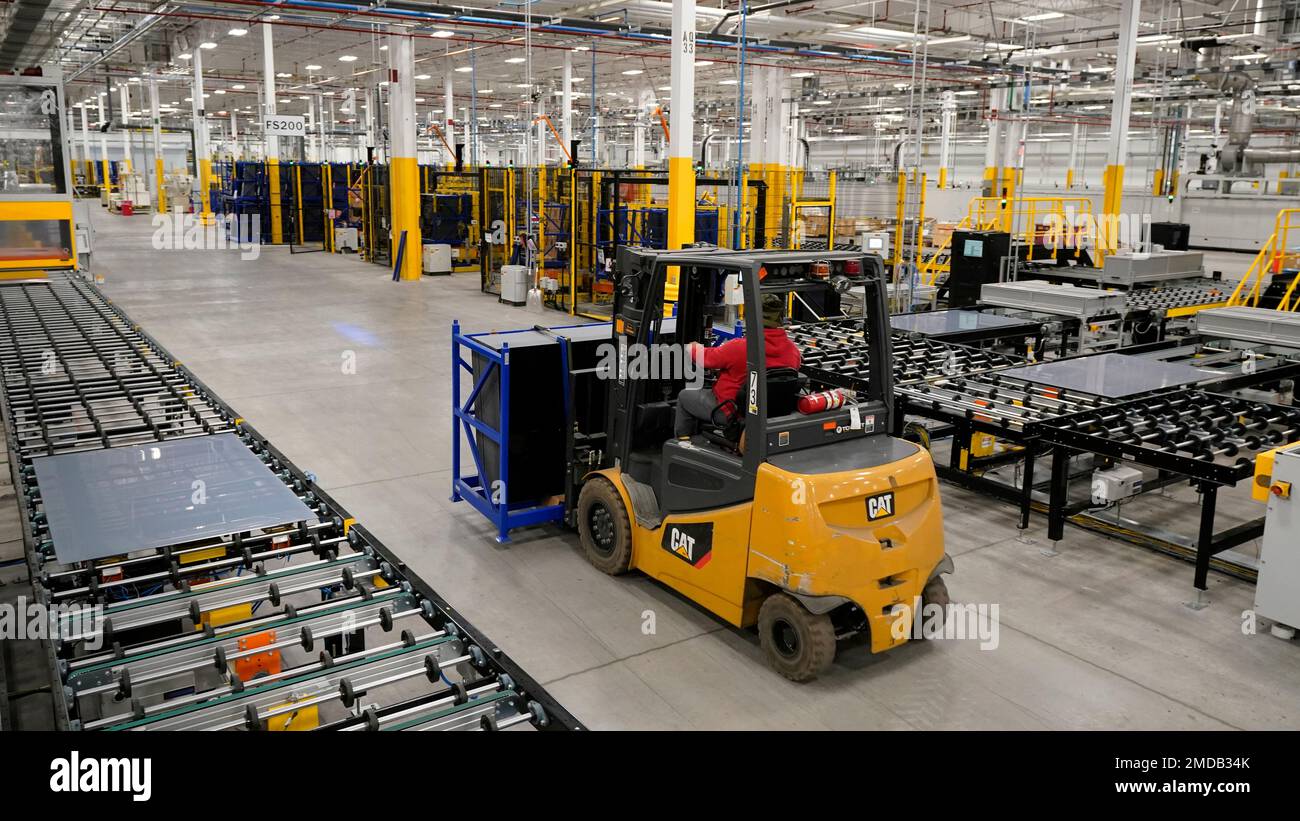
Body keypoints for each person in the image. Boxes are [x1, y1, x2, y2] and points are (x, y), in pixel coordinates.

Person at [674, 293, 801, 438]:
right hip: (768, 412)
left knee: (684, 396)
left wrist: (692, 348)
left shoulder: (742, 347)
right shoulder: (793, 351)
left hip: (730, 411)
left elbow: (706, 358)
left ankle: (683, 442)